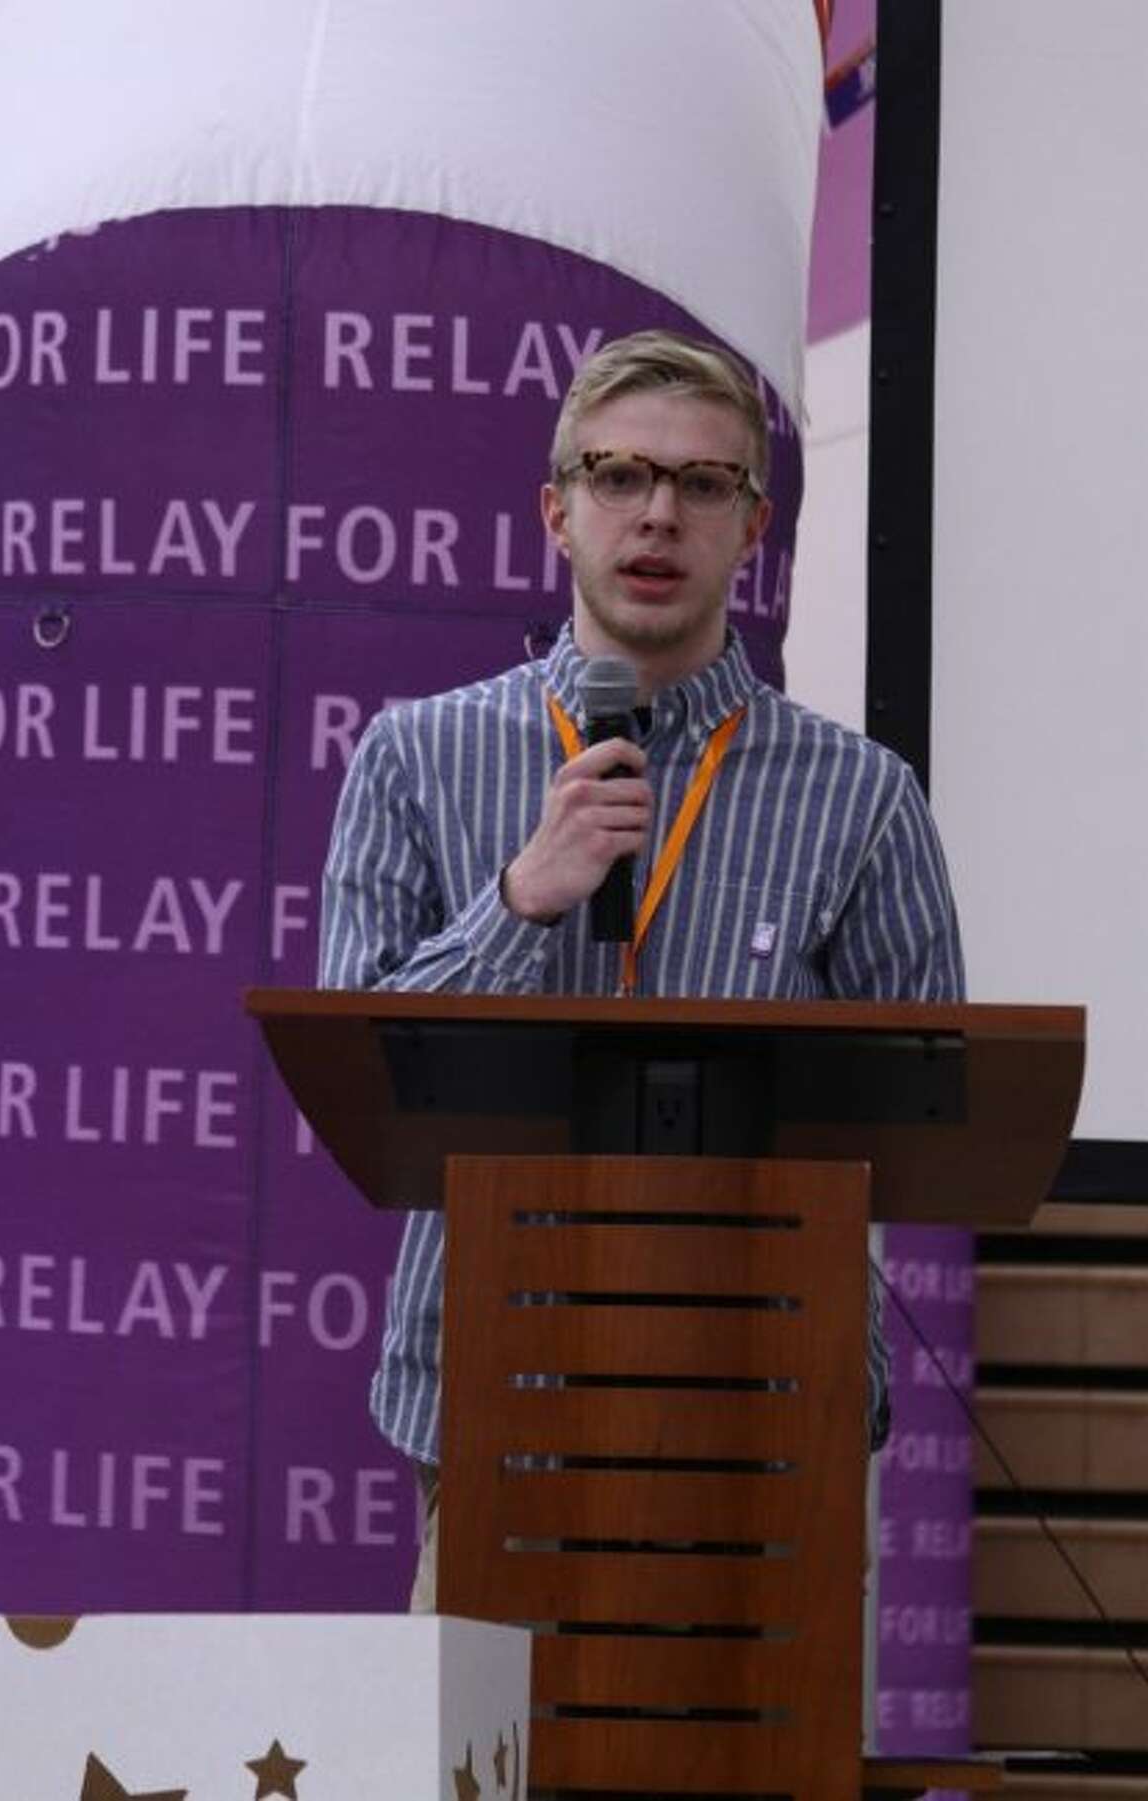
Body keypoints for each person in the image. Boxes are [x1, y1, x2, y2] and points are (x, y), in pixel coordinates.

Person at [319, 327, 965, 1609]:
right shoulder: (417, 758)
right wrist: (522, 896)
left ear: (752, 526)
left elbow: (929, 1107)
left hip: (770, 1400)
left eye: (702, 483)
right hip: (499, 1394)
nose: (658, 513)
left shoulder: (863, 798)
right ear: (558, 513)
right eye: (619, 476)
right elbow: (363, 1080)